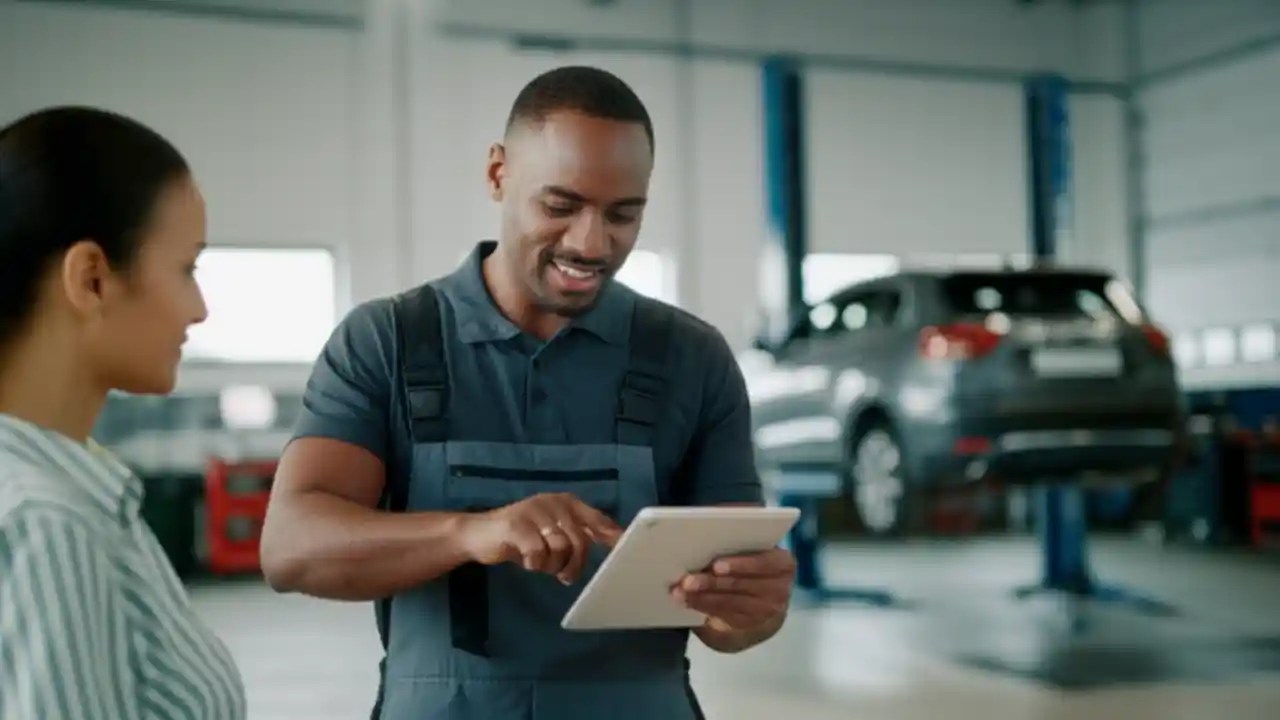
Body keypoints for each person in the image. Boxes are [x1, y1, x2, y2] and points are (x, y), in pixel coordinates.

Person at [260, 65, 796, 719]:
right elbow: (290, 549)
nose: (591, 243)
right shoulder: (388, 342)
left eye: (623, 215)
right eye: (560, 206)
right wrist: (472, 533)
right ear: (498, 174)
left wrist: (750, 609)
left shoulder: (692, 358)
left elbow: (728, 623)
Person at [0, 107, 245, 719]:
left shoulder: (66, 496)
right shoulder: (49, 523)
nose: (199, 308)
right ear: (91, 279)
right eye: (186, 269)